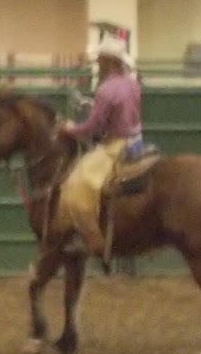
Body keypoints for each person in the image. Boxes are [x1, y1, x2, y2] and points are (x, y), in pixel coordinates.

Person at [59, 36, 144, 259]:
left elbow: (92, 127)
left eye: (100, 59)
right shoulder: (131, 83)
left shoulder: (106, 89)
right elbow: (118, 112)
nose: (97, 63)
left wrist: (69, 128)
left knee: (77, 184)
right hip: (136, 140)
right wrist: (93, 106)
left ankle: (92, 239)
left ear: (109, 61)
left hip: (116, 146)